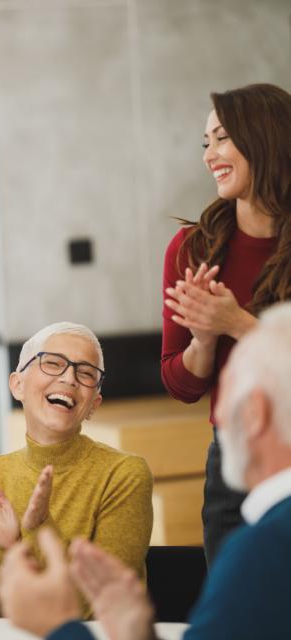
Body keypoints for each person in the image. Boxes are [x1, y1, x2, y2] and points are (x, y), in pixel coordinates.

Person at [0, 302, 291, 640]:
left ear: (255, 413)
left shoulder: (263, 551)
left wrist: (59, 630)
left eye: (224, 391)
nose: (218, 412)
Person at [161, 83, 291, 564]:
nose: (208, 154)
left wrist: (236, 322)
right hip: (232, 462)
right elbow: (180, 384)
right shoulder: (190, 249)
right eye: (205, 142)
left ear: (264, 139)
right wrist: (203, 338)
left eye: (221, 138)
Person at [0, 322, 152, 617]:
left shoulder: (125, 474)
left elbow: (102, 607)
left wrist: (43, 528)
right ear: (17, 384)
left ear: (93, 405)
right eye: (53, 363)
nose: (69, 378)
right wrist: (8, 549)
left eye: (85, 373)